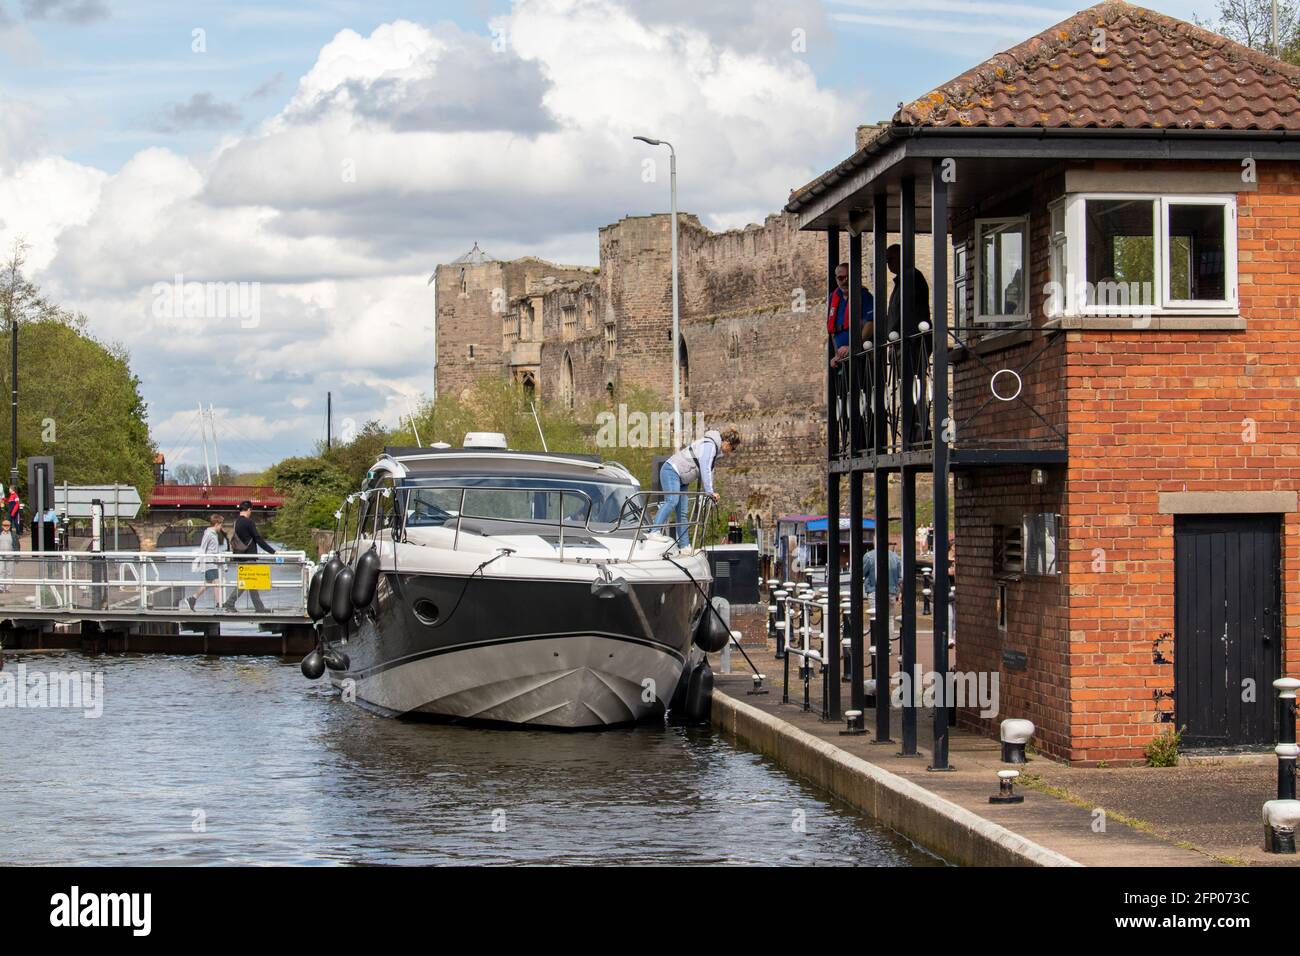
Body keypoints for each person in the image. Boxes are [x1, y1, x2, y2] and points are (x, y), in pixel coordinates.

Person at [652, 427, 740, 548]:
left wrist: (711, 494)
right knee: (672, 501)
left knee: (682, 513)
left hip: (682, 479)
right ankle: (654, 531)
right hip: (672, 470)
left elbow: (710, 472)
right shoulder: (710, 445)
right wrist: (710, 492)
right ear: (727, 443)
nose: (731, 451)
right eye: (733, 448)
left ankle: (684, 546)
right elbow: (705, 468)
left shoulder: (714, 451)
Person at [223, 501, 276, 614]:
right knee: (247, 582)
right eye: (251, 510)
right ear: (248, 510)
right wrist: (272, 552)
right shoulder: (249, 522)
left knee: (252, 582)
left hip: (240, 555)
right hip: (250, 556)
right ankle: (230, 602)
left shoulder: (236, 522)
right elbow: (258, 539)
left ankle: (259, 607)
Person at [864, 539, 903, 639]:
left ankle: (877, 644)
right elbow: (900, 577)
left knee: (876, 618)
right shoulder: (895, 557)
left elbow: (861, 572)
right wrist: (899, 592)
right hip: (891, 591)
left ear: (874, 543)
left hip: (874, 590)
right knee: (889, 618)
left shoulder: (869, 556)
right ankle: (888, 645)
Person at [188, 514, 227, 611]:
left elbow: (216, 550)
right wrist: (201, 564)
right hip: (209, 562)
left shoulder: (214, 534)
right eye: (221, 525)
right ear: (217, 524)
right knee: (216, 582)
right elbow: (203, 548)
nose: (221, 527)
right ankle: (219, 604)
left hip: (214, 562)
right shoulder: (209, 534)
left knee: (209, 583)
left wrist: (223, 563)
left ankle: (193, 598)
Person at [0, 518, 15, 592]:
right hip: (1, 556)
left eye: (8, 525)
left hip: (10, 556)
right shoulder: (0, 534)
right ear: (2, 526)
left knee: (9, 572)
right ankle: (1, 587)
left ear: (10, 526)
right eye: (4, 525)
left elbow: (16, 545)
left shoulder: (13, 535)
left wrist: (17, 555)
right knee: (1, 571)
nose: (6, 526)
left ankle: (8, 588)